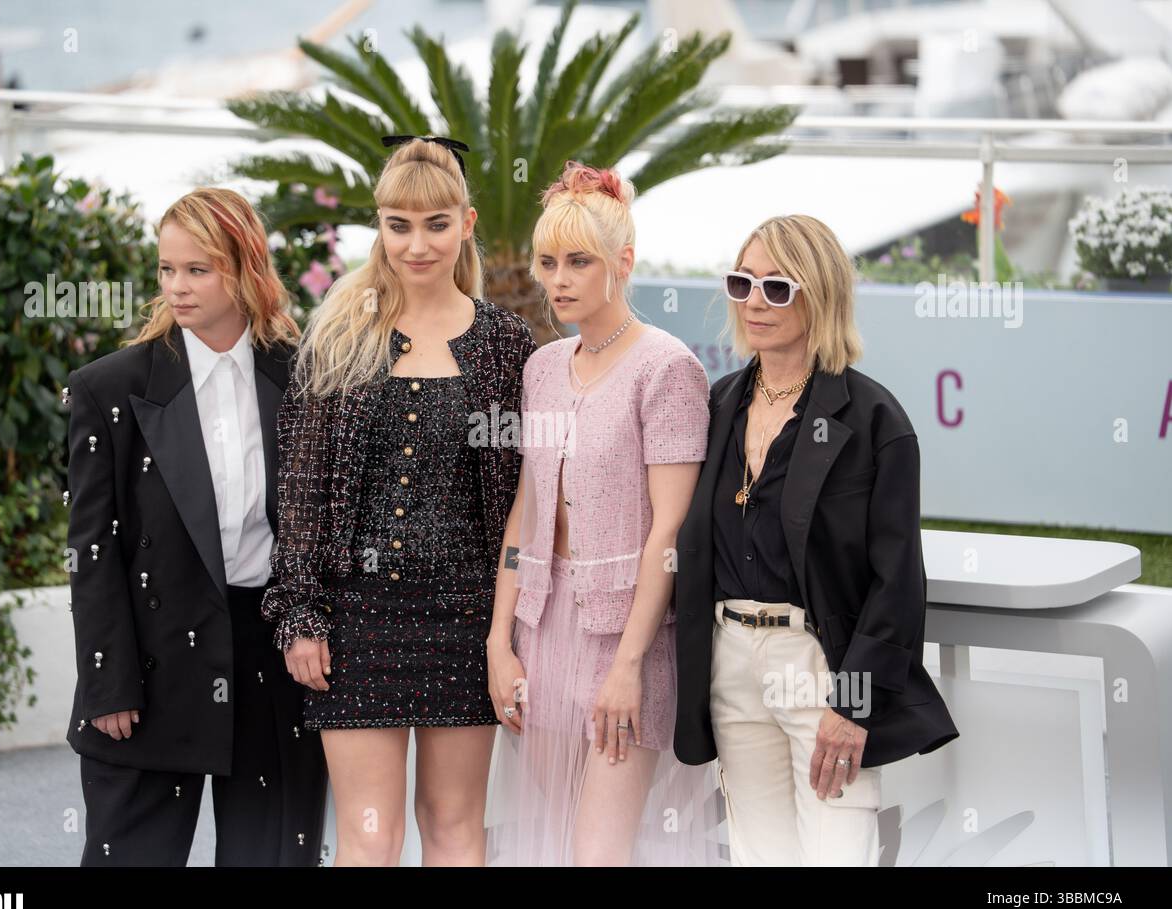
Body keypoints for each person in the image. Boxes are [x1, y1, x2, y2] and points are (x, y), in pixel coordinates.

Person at [262, 135, 536, 866]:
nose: (417, 244)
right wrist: (301, 613)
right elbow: (300, 492)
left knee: (454, 828)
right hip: (355, 621)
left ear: (467, 223)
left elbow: (521, 499)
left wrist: (504, 632)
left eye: (435, 224)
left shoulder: (507, 344)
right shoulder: (341, 336)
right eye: (398, 224)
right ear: (379, 226)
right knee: (370, 834)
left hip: (464, 619)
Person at [673, 214, 959, 866]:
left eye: (777, 287)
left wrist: (852, 700)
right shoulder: (717, 404)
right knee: (757, 852)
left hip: (817, 668)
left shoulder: (874, 418)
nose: (753, 301)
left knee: (838, 849)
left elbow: (897, 579)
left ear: (819, 293)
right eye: (742, 282)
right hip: (730, 659)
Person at [65, 187, 328, 866]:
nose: (176, 287)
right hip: (154, 658)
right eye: (166, 270)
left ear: (245, 269)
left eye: (197, 269)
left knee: (270, 854)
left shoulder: (304, 378)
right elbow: (92, 552)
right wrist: (108, 682)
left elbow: (320, 524)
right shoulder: (109, 389)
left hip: (270, 654)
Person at [484, 162, 721, 866]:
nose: (558, 279)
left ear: (624, 262)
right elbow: (527, 512)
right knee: (547, 843)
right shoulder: (542, 367)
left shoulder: (668, 368)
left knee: (599, 853)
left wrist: (628, 666)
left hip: (627, 639)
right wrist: (500, 641)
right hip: (539, 632)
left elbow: (669, 536)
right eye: (548, 261)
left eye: (579, 261)